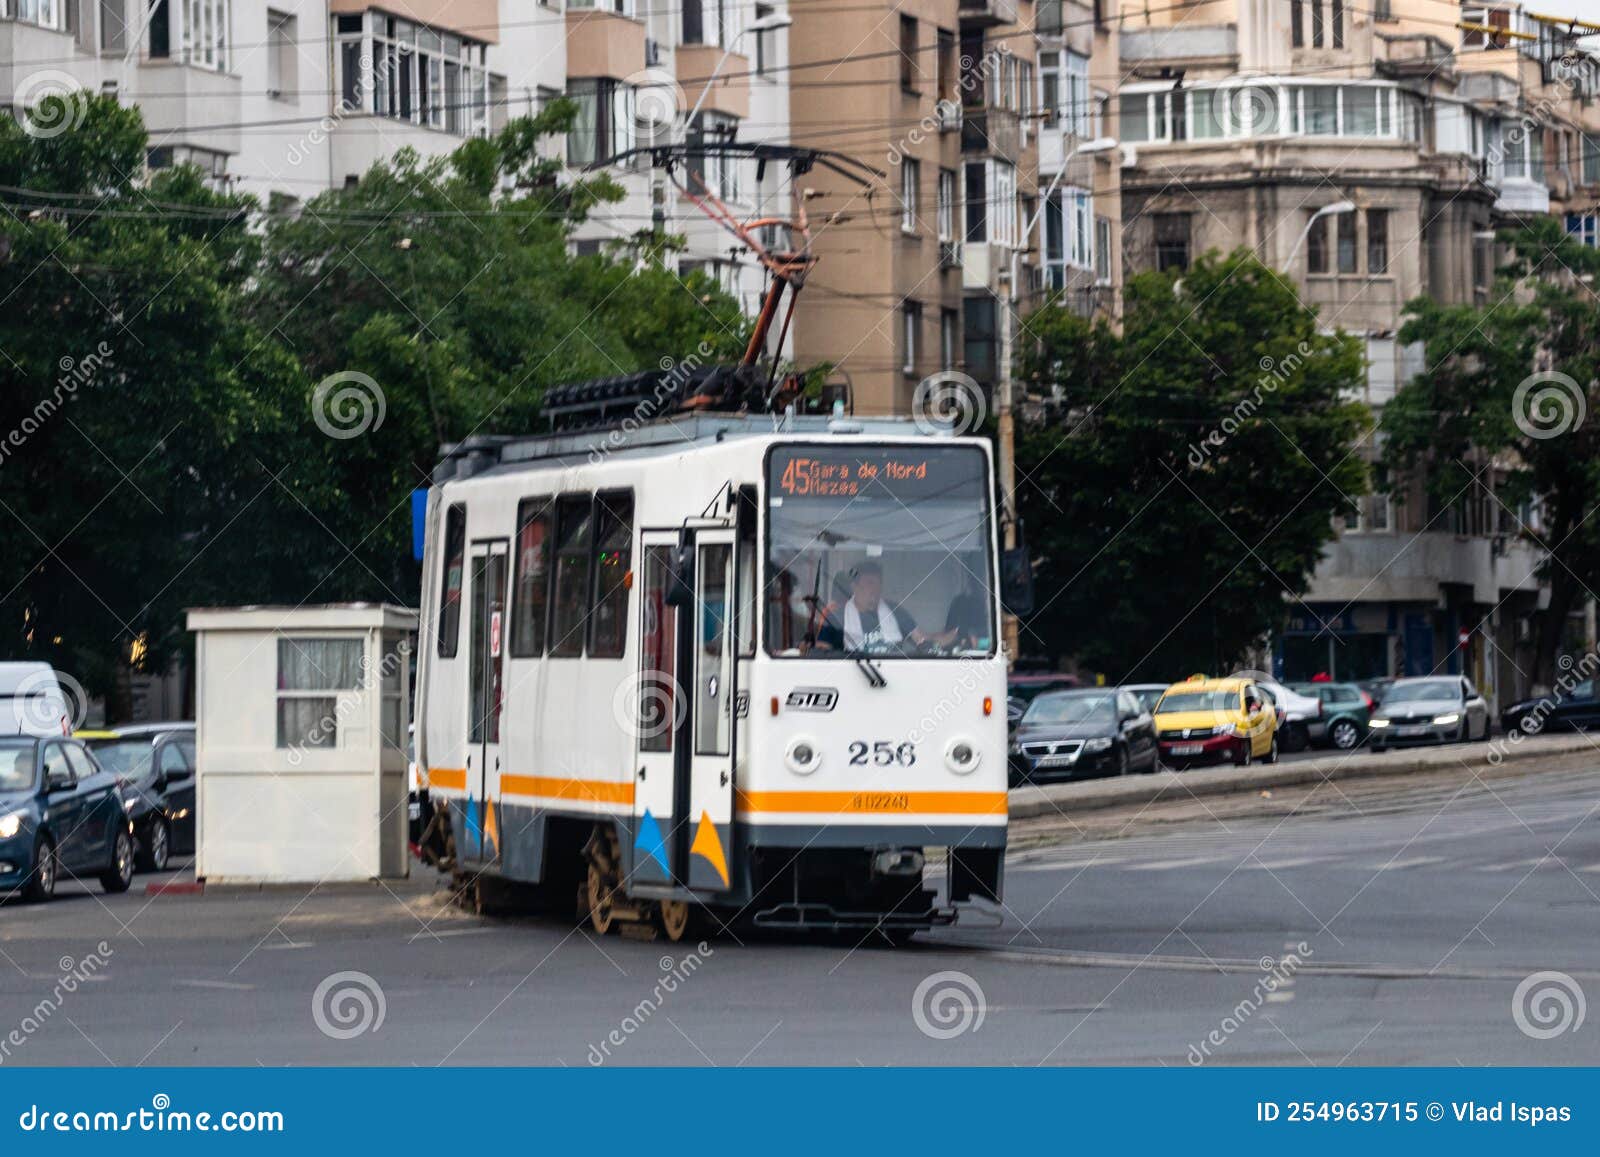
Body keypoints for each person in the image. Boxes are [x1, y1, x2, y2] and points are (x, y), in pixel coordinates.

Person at [816, 561, 955, 652]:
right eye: (869, 583)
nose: (875, 589)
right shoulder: (836, 617)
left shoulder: (896, 611)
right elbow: (822, 651)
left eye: (878, 583)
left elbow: (921, 639)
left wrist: (945, 639)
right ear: (854, 587)